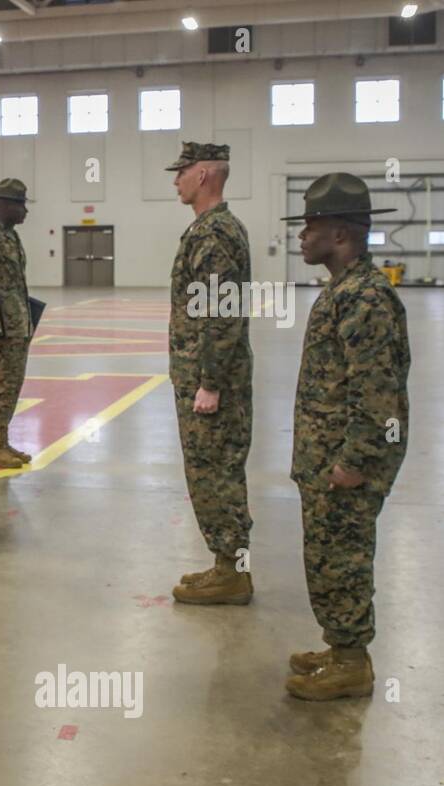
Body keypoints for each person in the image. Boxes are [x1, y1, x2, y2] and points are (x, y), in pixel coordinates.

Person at [282, 173, 410, 701]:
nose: (301, 236)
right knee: (327, 553)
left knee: (345, 555)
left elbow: (376, 391)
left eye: (310, 226)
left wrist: (354, 460)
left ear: (340, 234)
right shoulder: (344, 290)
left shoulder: (364, 298)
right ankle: (340, 646)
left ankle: (352, 662)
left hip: (346, 460)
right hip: (326, 453)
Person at [166, 142, 254, 605]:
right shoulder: (211, 228)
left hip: (212, 382)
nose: (175, 180)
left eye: (180, 172)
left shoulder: (214, 233)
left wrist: (210, 384)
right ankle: (226, 564)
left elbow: (220, 315)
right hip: (208, 376)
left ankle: (232, 571)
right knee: (213, 471)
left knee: (215, 472)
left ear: (202, 175)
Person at [0, 178, 34, 469]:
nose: (25, 211)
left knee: (13, 382)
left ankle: (3, 441)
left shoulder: (12, 237)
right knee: (2, 380)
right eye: (20, 204)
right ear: (3, 205)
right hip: (2, 324)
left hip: (18, 324)